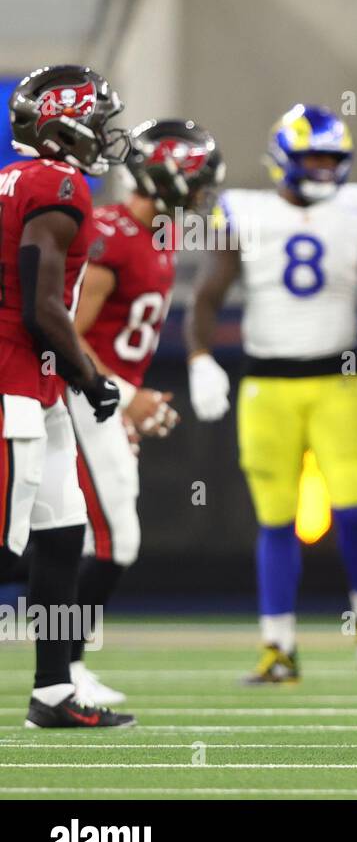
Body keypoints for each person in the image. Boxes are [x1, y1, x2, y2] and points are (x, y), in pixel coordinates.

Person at [185, 103, 357, 685]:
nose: (323, 169)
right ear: (283, 161)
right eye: (313, 158)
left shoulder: (354, 211)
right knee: (276, 521)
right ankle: (278, 647)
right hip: (267, 386)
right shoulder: (244, 212)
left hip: (336, 384)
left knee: (354, 513)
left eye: (331, 159)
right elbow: (206, 295)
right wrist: (198, 358)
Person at [66, 118, 225, 707]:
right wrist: (123, 395)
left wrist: (127, 397)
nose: (202, 194)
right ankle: (66, 669)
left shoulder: (155, 235)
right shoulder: (112, 234)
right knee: (108, 540)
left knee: (76, 539)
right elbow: (67, 333)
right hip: (78, 399)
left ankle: (64, 669)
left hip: (101, 400)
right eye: (198, 180)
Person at [1, 65, 129, 728]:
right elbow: (40, 308)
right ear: (63, 125)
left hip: (35, 385)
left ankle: (52, 692)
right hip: (13, 383)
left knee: (60, 535)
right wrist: (92, 378)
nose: (105, 135)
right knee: (5, 547)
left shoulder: (20, 180)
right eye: (97, 120)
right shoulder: (58, 184)